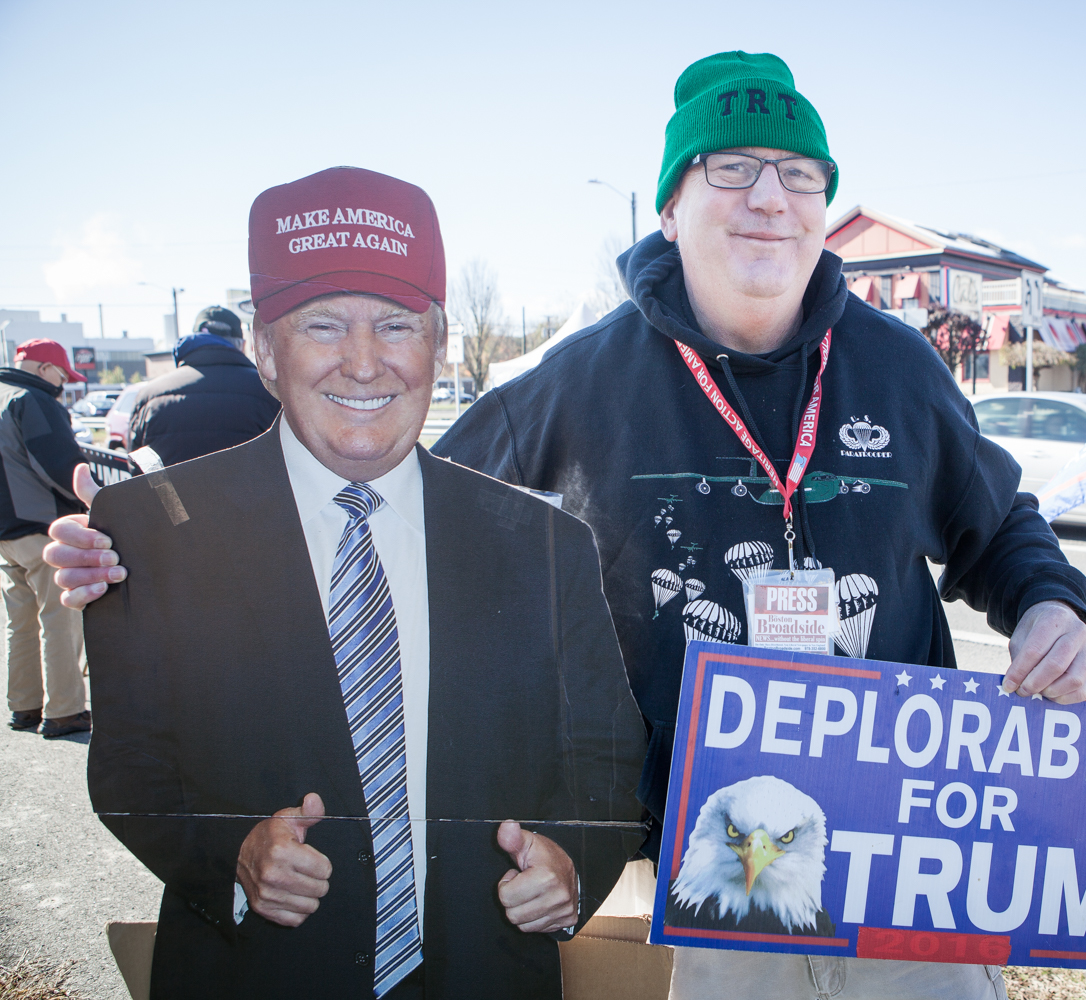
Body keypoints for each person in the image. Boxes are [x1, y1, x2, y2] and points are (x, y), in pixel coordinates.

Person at [431, 51, 1086, 999]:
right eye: (731, 168)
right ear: (670, 207)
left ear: (824, 205)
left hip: (903, 854)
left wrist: (1051, 604)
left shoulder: (897, 367)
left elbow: (999, 527)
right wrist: (159, 555)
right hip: (709, 867)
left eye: (799, 173)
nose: (769, 197)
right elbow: (413, 512)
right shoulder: (580, 383)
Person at [49, 167, 645, 999]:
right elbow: (130, 770)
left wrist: (573, 864)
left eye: (397, 325)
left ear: (438, 344)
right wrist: (232, 856)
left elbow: (607, 758)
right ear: (264, 349)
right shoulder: (153, 532)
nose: (364, 363)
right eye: (323, 324)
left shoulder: (545, 543)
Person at [0, 339, 90, 738]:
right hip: (40, 526)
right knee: (59, 620)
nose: (62, 383)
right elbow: (59, 464)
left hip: (4, 533)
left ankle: (23, 706)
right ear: (43, 369)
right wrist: (92, 498)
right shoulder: (32, 399)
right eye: (60, 374)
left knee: (18, 623)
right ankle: (63, 710)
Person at [126, 305, 280, 468]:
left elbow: (137, 468)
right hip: (252, 493)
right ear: (242, 345)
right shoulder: (269, 388)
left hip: (171, 494)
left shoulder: (149, 396)